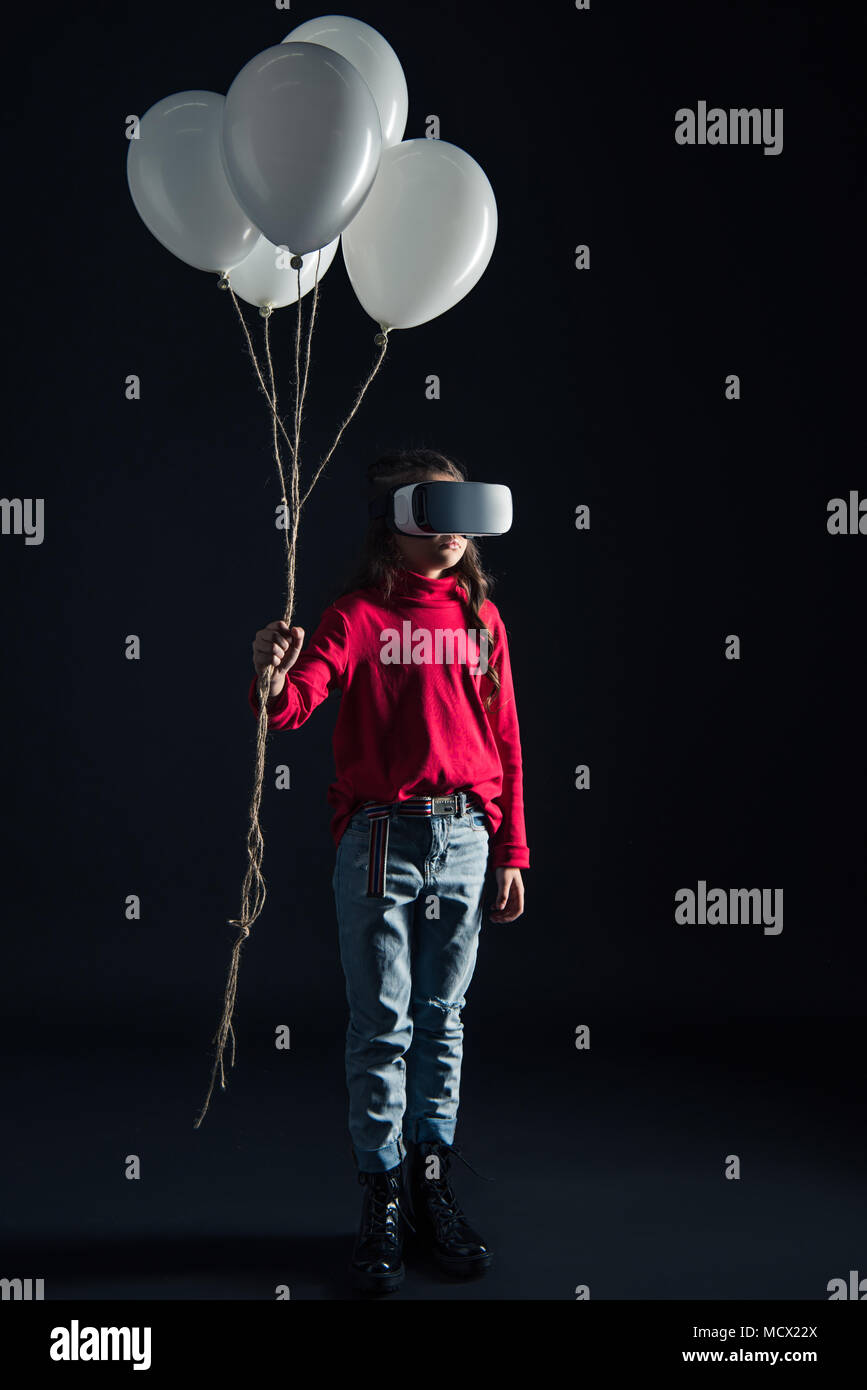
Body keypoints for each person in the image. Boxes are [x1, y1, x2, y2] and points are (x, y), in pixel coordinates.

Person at [249, 447, 529, 1294]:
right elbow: (293, 707)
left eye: (461, 517)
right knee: (384, 1024)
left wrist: (511, 849)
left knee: (444, 1019)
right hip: (379, 837)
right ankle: (382, 1199)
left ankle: (430, 1186)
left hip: (467, 839)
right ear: (397, 523)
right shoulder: (359, 616)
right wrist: (269, 672)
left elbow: (506, 741)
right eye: (430, 516)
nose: (449, 535)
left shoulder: (484, 622)